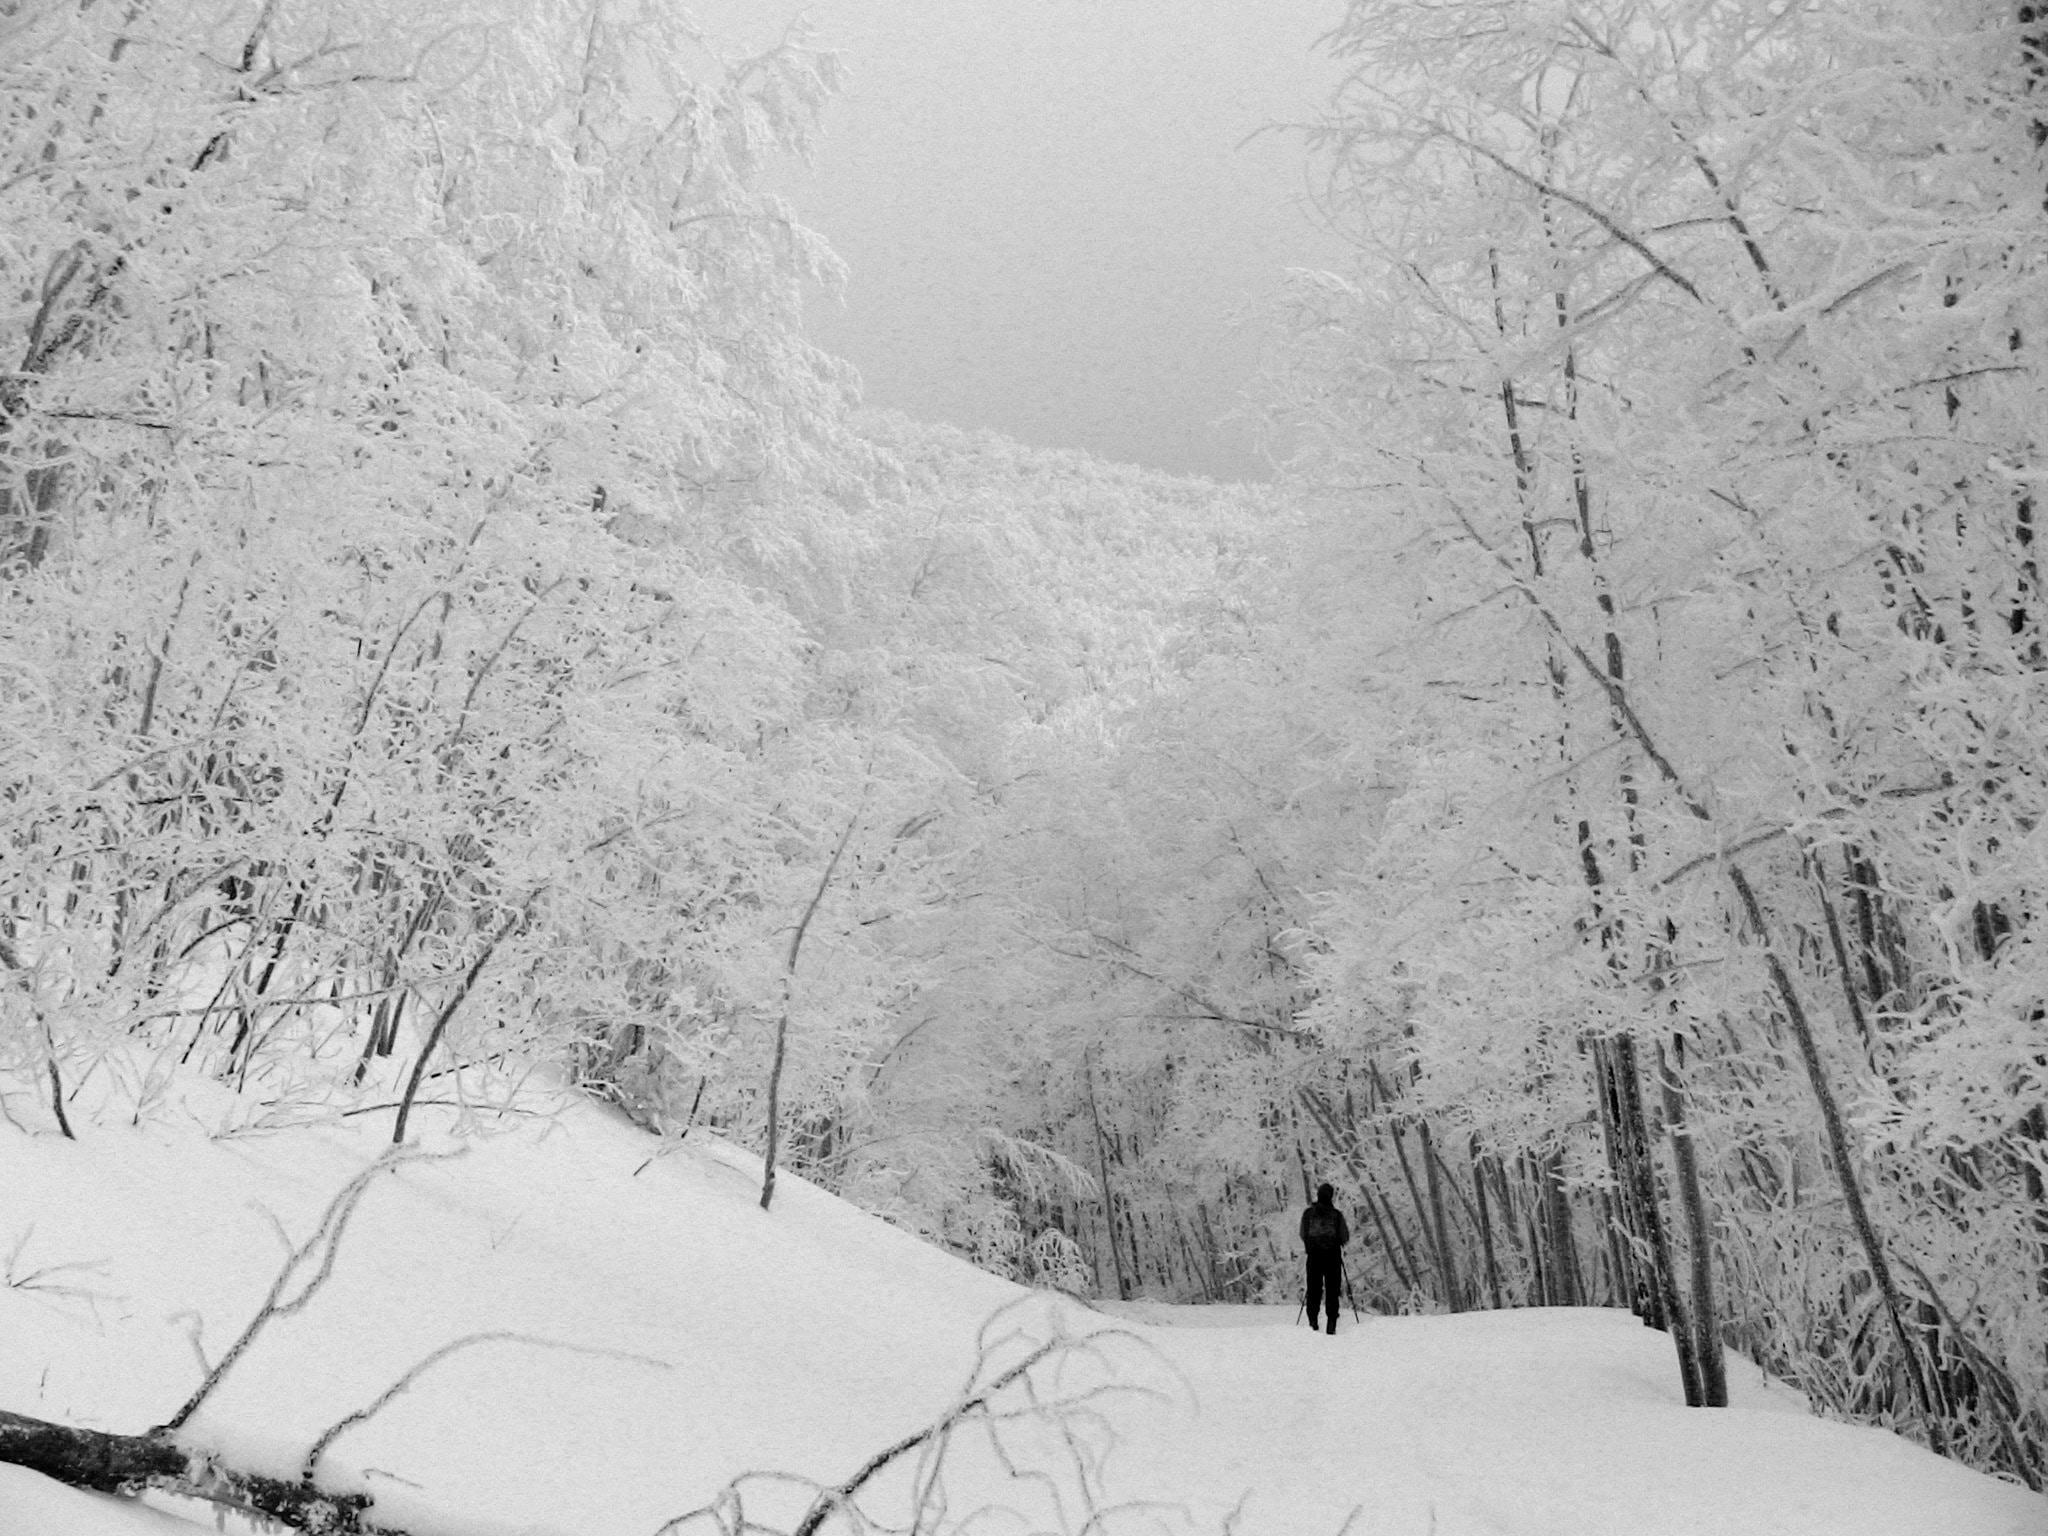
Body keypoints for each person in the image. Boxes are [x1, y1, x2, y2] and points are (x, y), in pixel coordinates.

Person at [1300, 1182, 1349, 1334]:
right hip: (1332, 1257)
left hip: (1314, 1257)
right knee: (1332, 1289)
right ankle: (1331, 1322)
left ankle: (1313, 1321)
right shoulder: (1337, 1215)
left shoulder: (1308, 1214)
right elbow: (1344, 1236)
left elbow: (1303, 1233)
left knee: (1314, 1289)